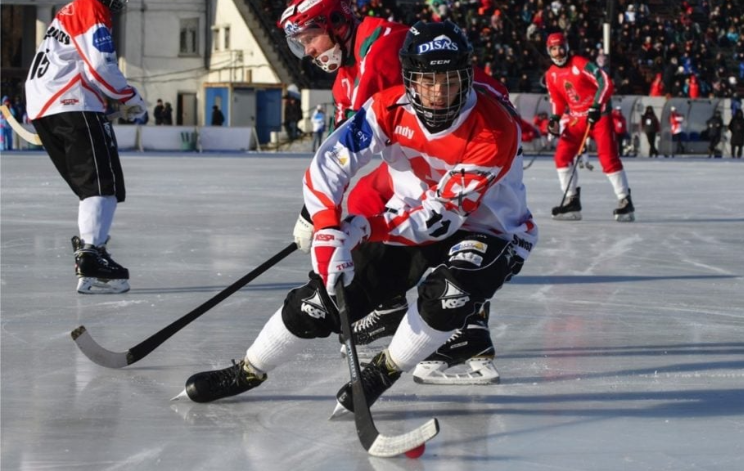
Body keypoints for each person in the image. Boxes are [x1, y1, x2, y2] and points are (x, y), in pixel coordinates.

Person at [178, 21, 537, 410]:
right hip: (407, 217)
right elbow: (329, 162)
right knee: (323, 299)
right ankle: (249, 369)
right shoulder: (386, 108)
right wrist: (329, 228)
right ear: (408, 79)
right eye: (425, 81)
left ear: (467, 76)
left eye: (450, 81)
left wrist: (366, 226)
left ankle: (383, 370)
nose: (437, 94)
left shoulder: (495, 129)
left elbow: (442, 218)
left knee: (448, 296)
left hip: (491, 230)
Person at [280, 0, 511, 384]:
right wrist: (320, 216)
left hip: (470, 139)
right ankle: (388, 305)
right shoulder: (346, 73)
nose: (308, 51)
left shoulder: (381, 48)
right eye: (300, 43)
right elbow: (344, 149)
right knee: (365, 201)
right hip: (420, 146)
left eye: (310, 38)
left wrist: (317, 220)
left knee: (456, 221)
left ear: (336, 23)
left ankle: (465, 325)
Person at [25, 0, 145, 293]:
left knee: (94, 187)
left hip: (46, 108)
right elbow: (100, 65)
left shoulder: (67, 11)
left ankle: (93, 253)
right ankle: (92, 255)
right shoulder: (90, 6)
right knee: (102, 185)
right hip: (72, 104)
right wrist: (129, 97)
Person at [543, 32, 635, 222]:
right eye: (554, 48)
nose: (559, 52)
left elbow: (605, 82)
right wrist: (554, 118)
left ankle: (624, 200)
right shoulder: (551, 74)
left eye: (561, 47)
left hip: (598, 116)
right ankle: (572, 200)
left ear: (567, 47)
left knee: (607, 158)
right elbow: (558, 100)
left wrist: (596, 105)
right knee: (561, 156)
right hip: (576, 120)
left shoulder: (580, 63)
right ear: (548, 51)